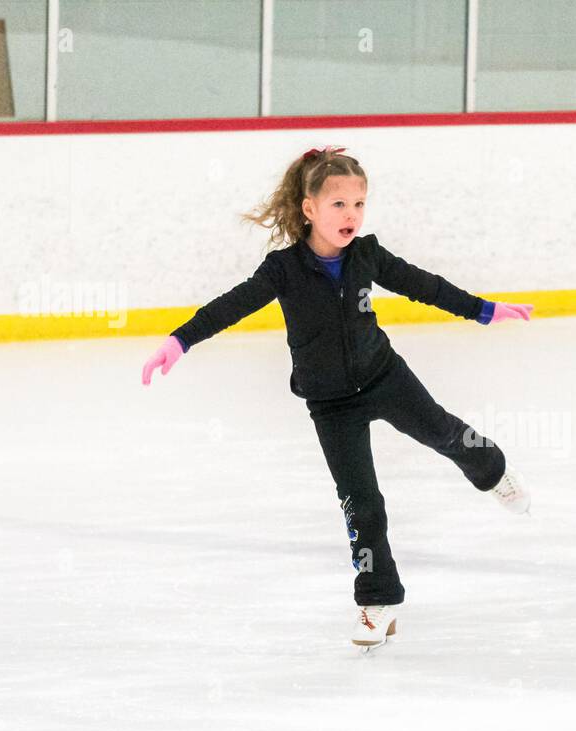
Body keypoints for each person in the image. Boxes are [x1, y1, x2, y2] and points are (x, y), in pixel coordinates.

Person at [141, 145, 533, 650]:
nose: (352, 215)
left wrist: (483, 310)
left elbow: (423, 286)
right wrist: (180, 340)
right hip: (330, 404)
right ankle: (378, 600)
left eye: (360, 204)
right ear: (309, 209)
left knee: (446, 433)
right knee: (360, 503)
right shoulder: (282, 270)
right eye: (339, 205)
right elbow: (229, 307)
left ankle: (494, 471)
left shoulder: (366, 254)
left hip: (384, 375)